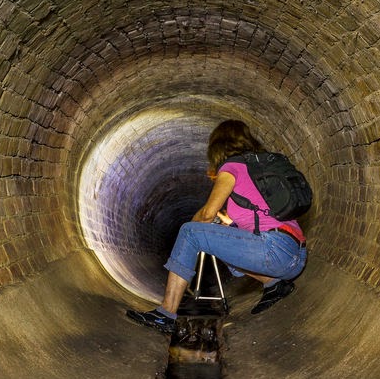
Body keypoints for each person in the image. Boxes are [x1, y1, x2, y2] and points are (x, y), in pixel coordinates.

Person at [125, 120, 306, 335]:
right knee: (220, 236)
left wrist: (190, 232)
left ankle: (166, 314)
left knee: (190, 231)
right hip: (294, 256)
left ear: (218, 145)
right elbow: (248, 223)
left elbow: (206, 213)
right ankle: (274, 284)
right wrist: (221, 224)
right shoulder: (256, 169)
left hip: (273, 251)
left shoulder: (231, 167)